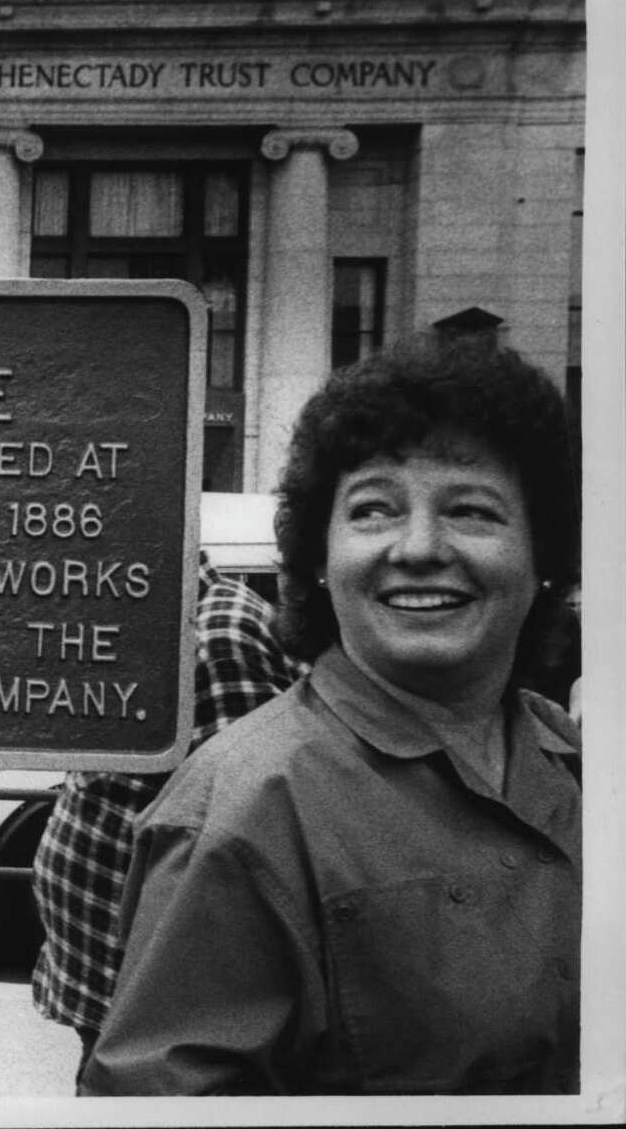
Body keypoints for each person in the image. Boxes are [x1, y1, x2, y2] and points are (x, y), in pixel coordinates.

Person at [83, 338, 580, 1095]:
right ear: (319, 556)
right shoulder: (245, 810)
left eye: (472, 511)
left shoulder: (575, 762)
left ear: (543, 554)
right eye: (374, 510)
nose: (419, 548)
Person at [31, 556, 303, 1077]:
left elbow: (240, 834)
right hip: (106, 976)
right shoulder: (141, 619)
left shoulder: (214, 635)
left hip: (145, 1000)